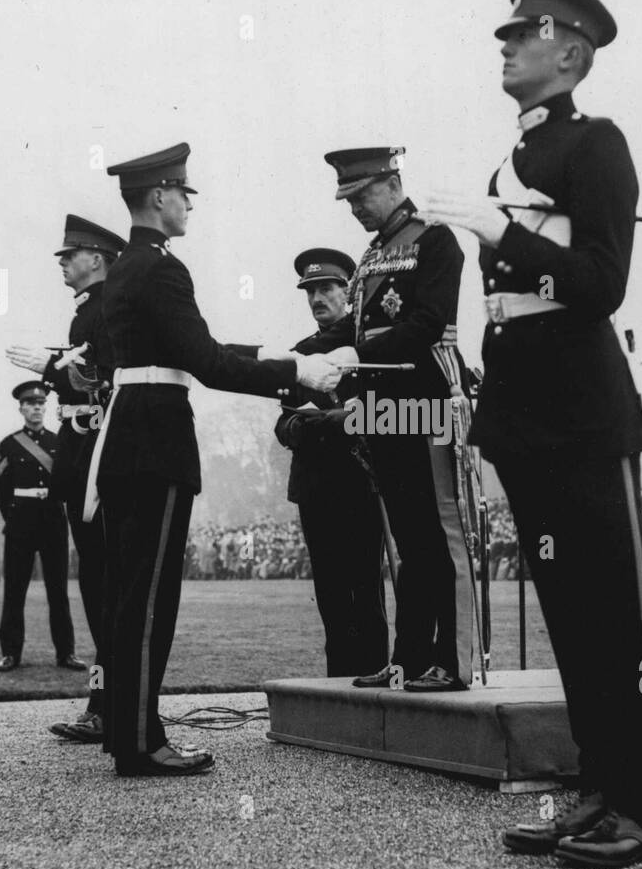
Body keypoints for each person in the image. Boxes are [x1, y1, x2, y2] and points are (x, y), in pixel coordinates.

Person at [424, 0, 642, 869]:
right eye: (506, 32)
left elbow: (603, 284)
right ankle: (599, 789)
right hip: (524, 403)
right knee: (568, 613)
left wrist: (502, 234)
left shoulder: (596, 145)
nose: (506, 43)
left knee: (616, 617)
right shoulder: (512, 157)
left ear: (570, 53)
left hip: (582, 404)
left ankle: (641, 810)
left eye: (522, 33)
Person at [88, 140, 339, 777]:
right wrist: (299, 375)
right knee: (149, 601)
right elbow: (206, 363)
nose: (189, 204)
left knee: (128, 595)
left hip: (125, 439)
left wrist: (280, 356)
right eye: (183, 192)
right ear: (158, 196)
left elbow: (195, 344)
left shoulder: (124, 268)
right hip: (156, 441)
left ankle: (128, 732)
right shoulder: (164, 269)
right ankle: (142, 744)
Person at [320, 145, 479, 693]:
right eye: (350, 199)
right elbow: (356, 330)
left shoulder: (434, 239)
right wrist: (298, 355)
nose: (356, 208)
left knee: (440, 532)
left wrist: (357, 357)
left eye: (362, 195)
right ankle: (408, 658)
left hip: (427, 397)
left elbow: (430, 321)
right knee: (409, 540)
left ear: (392, 183)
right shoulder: (371, 254)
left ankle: (454, 661)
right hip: (382, 403)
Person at [8, 214, 127, 742]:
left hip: (103, 453)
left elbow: (106, 379)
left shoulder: (110, 310)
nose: (62, 262)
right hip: (81, 454)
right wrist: (59, 363)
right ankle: (104, 703)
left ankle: (113, 706)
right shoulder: (85, 314)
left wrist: (53, 369)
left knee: (107, 588)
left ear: (96, 258)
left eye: (69, 254)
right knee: (96, 587)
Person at [273, 247, 389, 677]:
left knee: (366, 589)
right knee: (331, 595)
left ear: (349, 293)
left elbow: (387, 414)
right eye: (311, 291)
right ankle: (339, 689)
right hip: (316, 484)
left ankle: (375, 686)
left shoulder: (368, 346)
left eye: (327, 289)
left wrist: (333, 420)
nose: (317, 298)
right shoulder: (298, 355)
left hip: (361, 480)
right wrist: (305, 427)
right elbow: (283, 424)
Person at [0, 380, 84, 672]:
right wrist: (14, 518)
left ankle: (66, 654)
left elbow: (70, 482)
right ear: (21, 408)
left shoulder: (60, 443)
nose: (37, 408)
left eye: (41, 403)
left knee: (58, 592)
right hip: (20, 523)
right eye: (31, 404)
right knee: (14, 591)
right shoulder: (7, 445)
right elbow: (1, 489)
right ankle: (10, 653)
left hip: (53, 521)